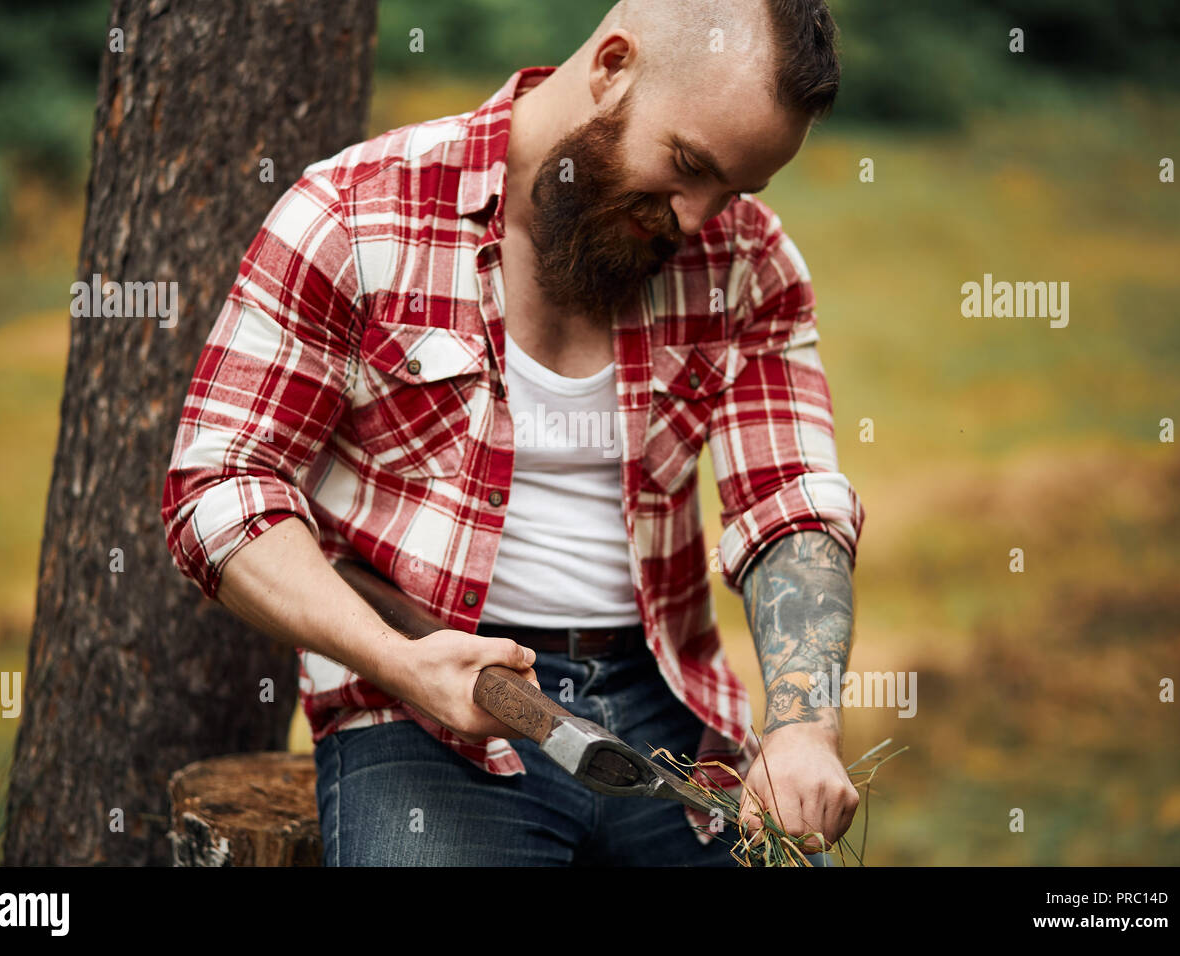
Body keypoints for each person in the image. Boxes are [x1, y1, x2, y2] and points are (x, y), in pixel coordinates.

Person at [161, 0, 865, 866]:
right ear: (612, 65)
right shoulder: (352, 211)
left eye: (734, 191)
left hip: (667, 709)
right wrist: (395, 660)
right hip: (421, 711)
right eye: (687, 165)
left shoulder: (746, 261)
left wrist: (802, 722)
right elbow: (218, 488)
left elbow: (792, 504)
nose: (696, 217)